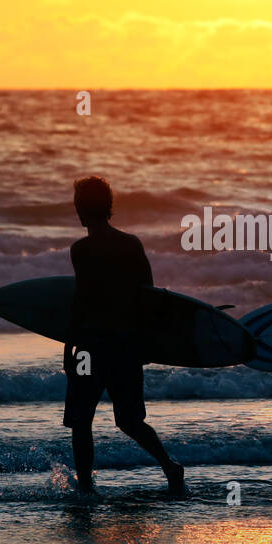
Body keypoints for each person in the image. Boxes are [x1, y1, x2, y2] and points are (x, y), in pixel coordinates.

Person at [62, 175, 185, 495]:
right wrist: (148, 342)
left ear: (81, 209)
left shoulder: (81, 250)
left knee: (81, 421)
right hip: (125, 345)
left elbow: (80, 304)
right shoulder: (131, 245)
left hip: (91, 345)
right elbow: (148, 295)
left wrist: (68, 350)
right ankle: (170, 466)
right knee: (129, 421)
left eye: (77, 205)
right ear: (109, 207)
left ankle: (86, 487)